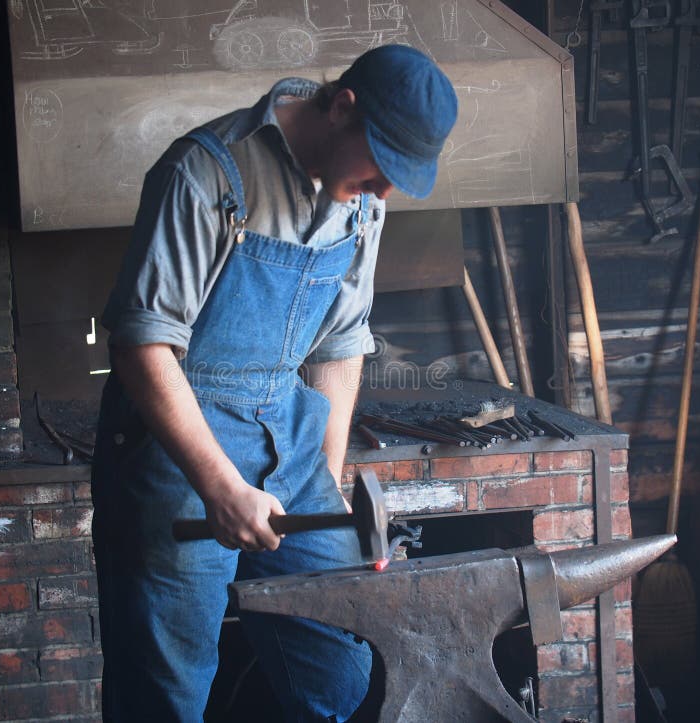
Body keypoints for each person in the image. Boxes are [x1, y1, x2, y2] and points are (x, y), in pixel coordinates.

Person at [91, 44, 458, 722]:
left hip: (289, 437)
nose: (385, 192)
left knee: (341, 665)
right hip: (180, 445)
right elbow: (141, 345)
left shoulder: (361, 206)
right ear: (341, 107)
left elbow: (342, 343)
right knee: (166, 690)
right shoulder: (206, 172)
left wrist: (321, 473)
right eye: (382, 167)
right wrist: (221, 486)